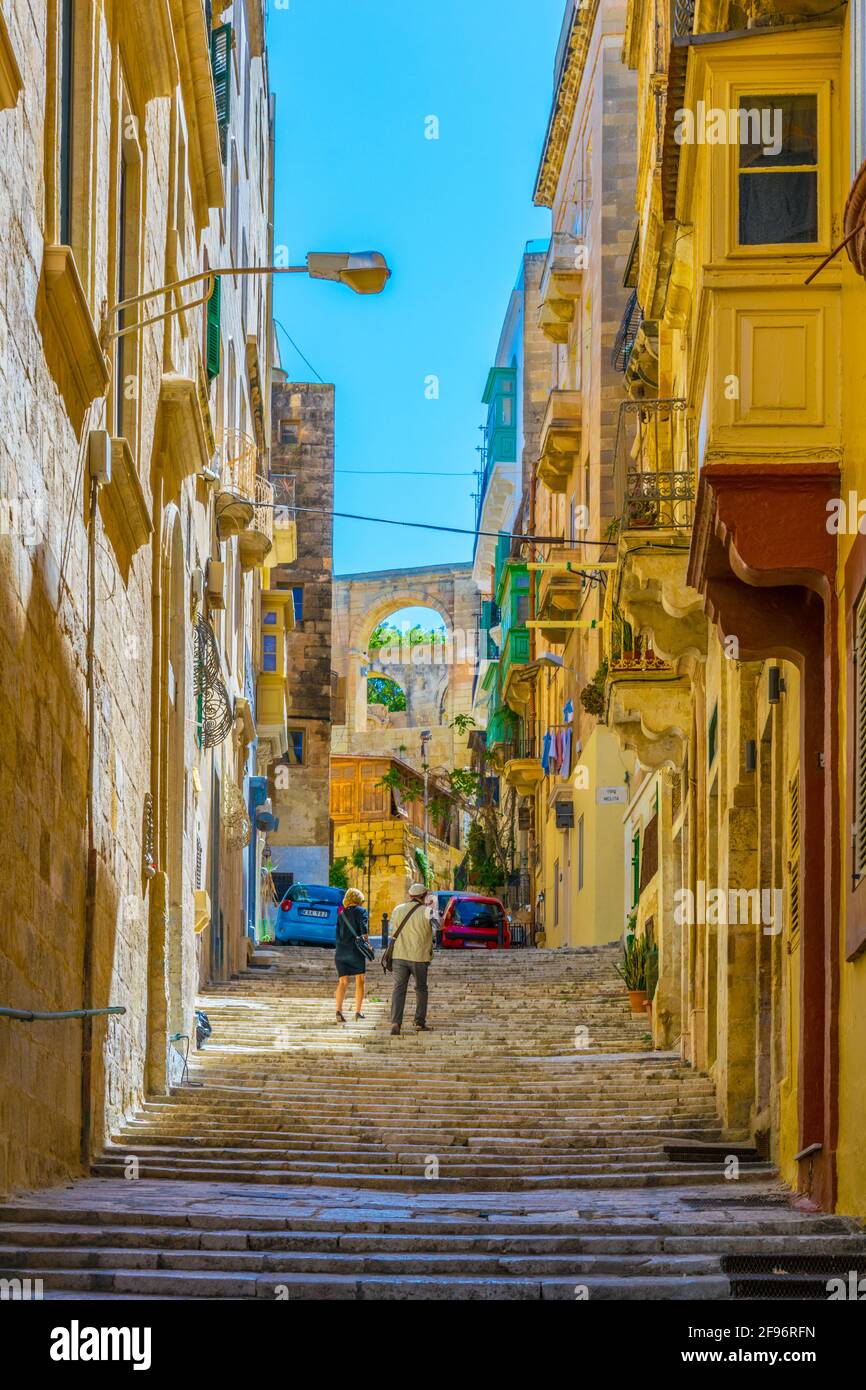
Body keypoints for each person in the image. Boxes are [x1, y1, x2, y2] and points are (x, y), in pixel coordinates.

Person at [389, 881, 434, 1036]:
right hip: (419, 956)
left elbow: (391, 930)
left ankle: (396, 1022)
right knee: (421, 989)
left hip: (399, 955)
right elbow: (439, 926)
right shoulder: (428, 911)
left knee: (399, 989)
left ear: (410, 896)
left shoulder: (397, 910)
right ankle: (419, 1022)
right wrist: (432, 907)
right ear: (424, 896)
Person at [335, 888, 370, 1023]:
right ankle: (358, 1012)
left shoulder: (341, 914)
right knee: (360, 980)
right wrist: (368, 946)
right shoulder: (362, 911)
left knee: (343, 982)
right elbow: (364, 932)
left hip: (340, 952)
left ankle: (338, 1011)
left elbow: (338, 935)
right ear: (359, 899)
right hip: (355, 951)